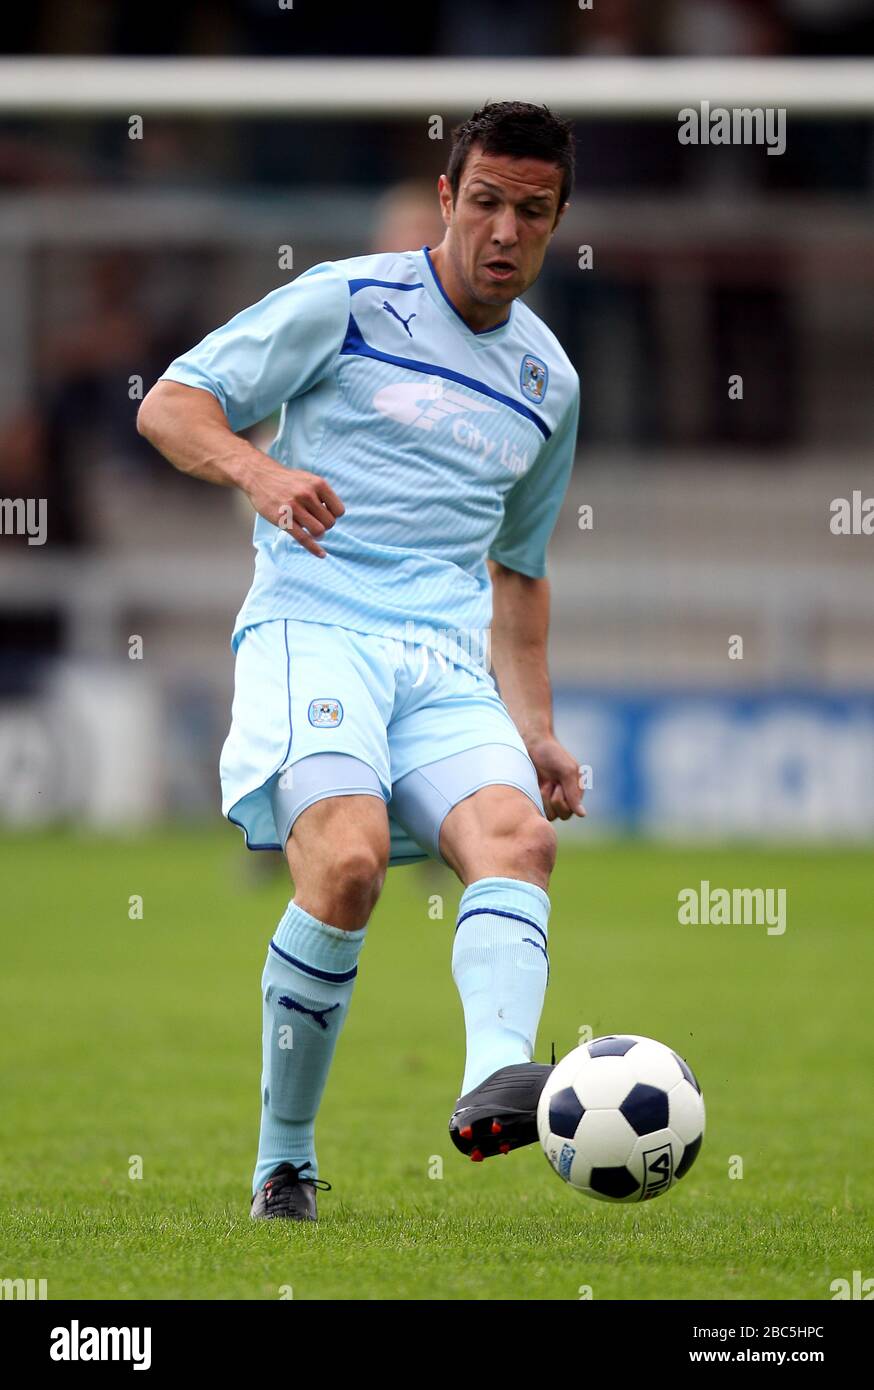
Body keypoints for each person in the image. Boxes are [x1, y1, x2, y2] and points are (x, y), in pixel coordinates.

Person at [137, 101, 584, 1222]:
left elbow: (519, 576)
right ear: (445, 197)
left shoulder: (550, 386)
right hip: (316, 622)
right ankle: (284, 1156)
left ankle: (498, 1080)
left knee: (517, 840)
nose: (500, 231)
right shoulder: (344, 300)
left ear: (555, 224)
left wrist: (533, 726)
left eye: (529, 213)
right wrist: (260, 473)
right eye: (482, 201)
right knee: (345, 869)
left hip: (441, 656)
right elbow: (169, 404)